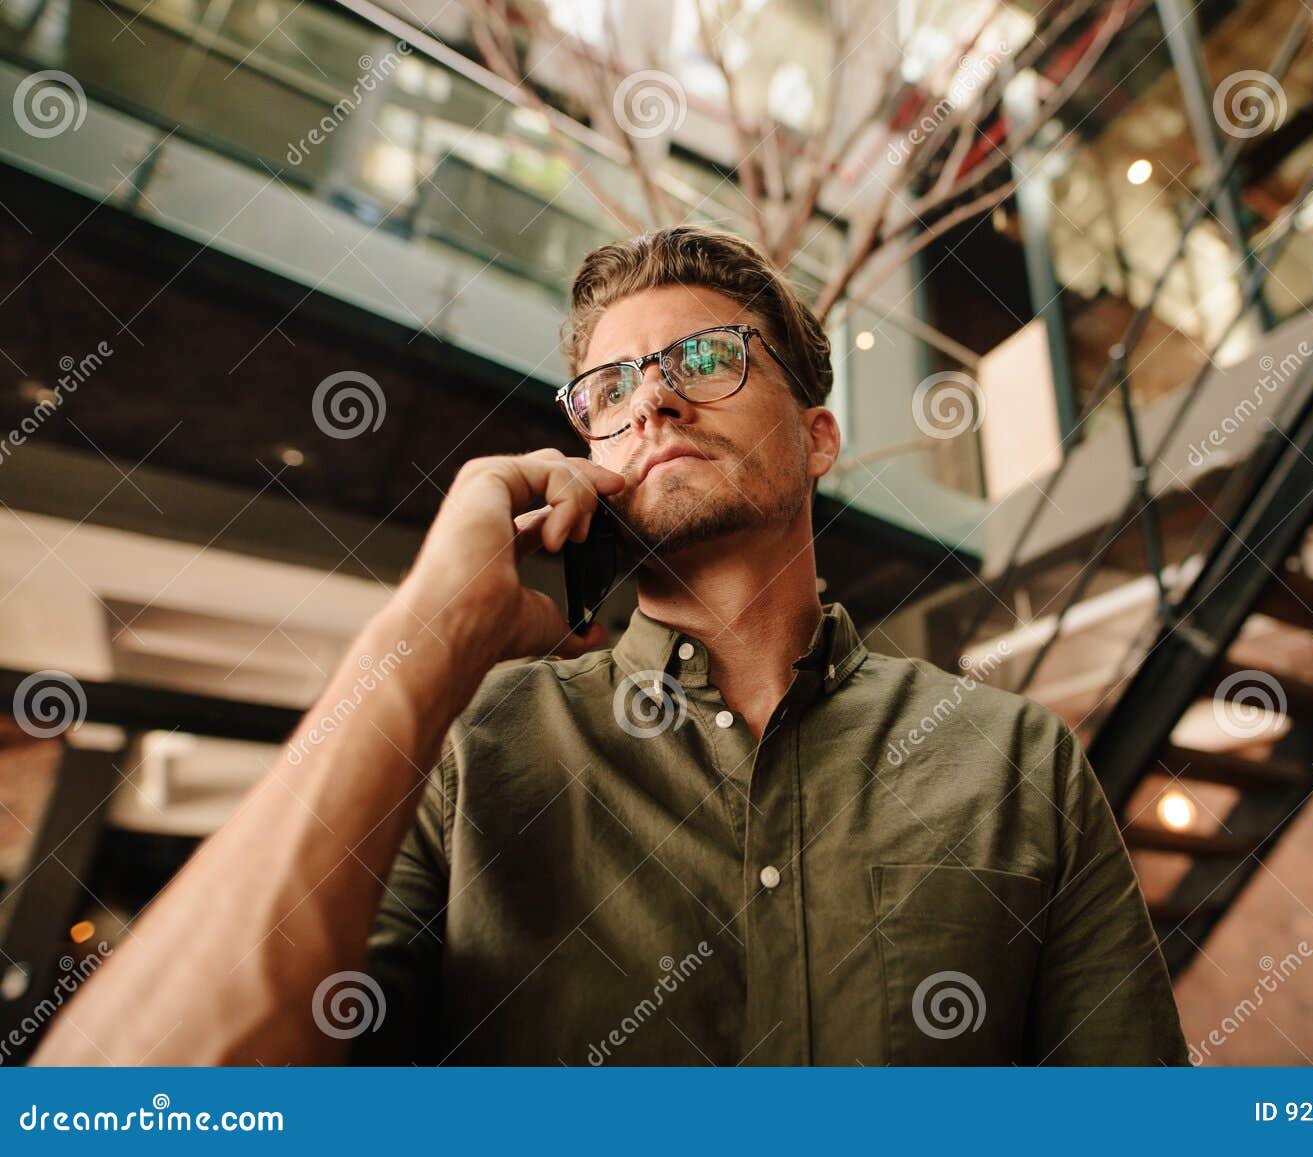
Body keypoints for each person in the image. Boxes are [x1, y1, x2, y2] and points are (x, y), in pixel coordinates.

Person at [34, 226, 1186, 1066]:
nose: (655, 404)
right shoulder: (473, 743)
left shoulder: (1012, 755)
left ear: (819, 435)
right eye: (610, 386)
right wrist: (426, 634)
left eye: (705, 360)